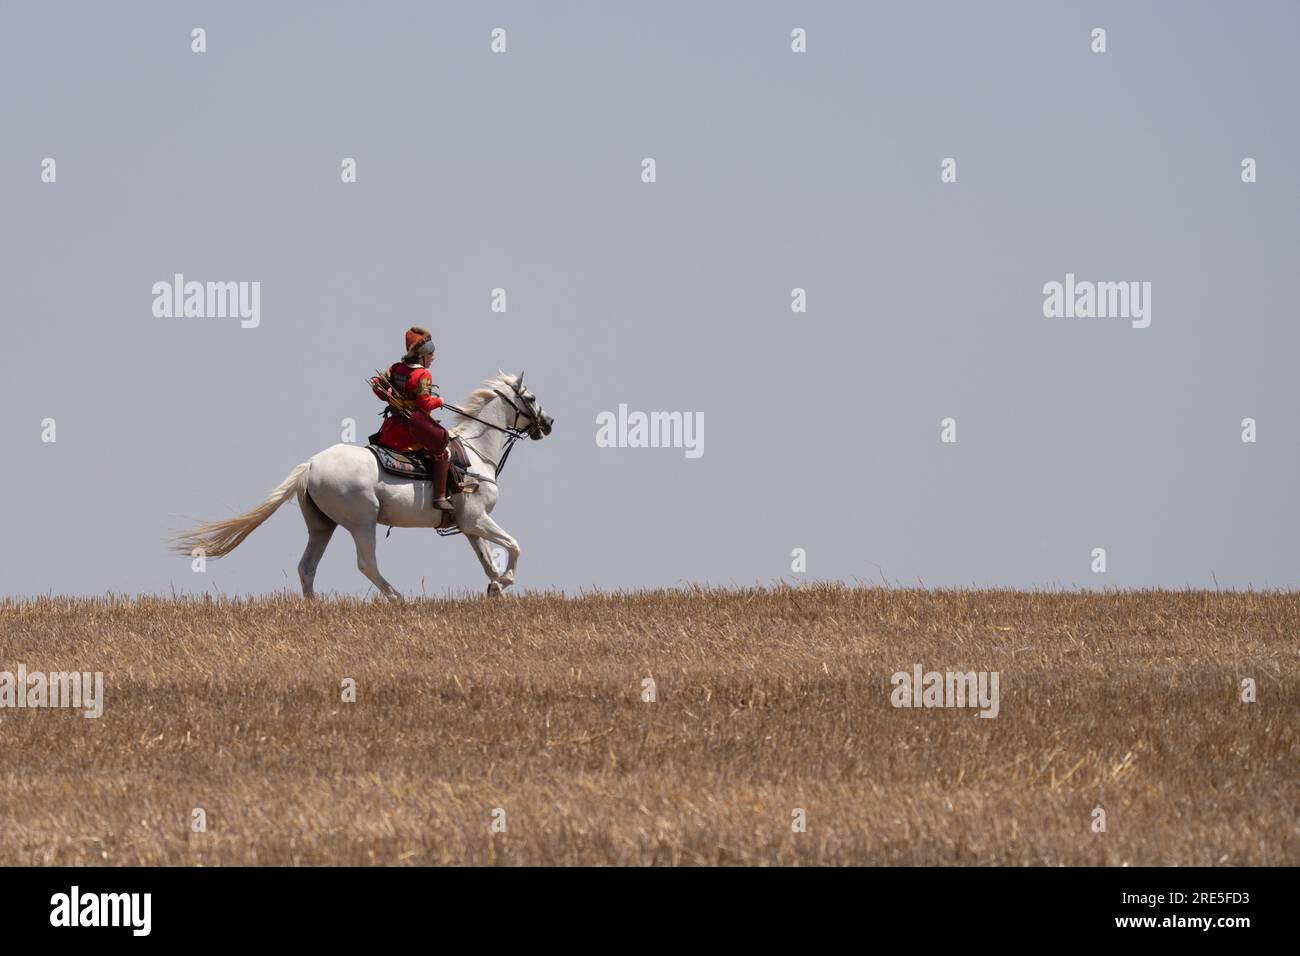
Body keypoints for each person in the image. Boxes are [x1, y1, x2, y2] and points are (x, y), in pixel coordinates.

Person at [371, 327, 454, 510]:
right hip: (412, 433)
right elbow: (424, 404)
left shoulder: (396, 368)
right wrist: (439, 401)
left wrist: (388, 396)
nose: (434, 357)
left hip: (391, 428)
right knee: (444, 453)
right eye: (431, 354)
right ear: (422, 355)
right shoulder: (423, 375)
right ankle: (439, 498)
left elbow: (377, 385)